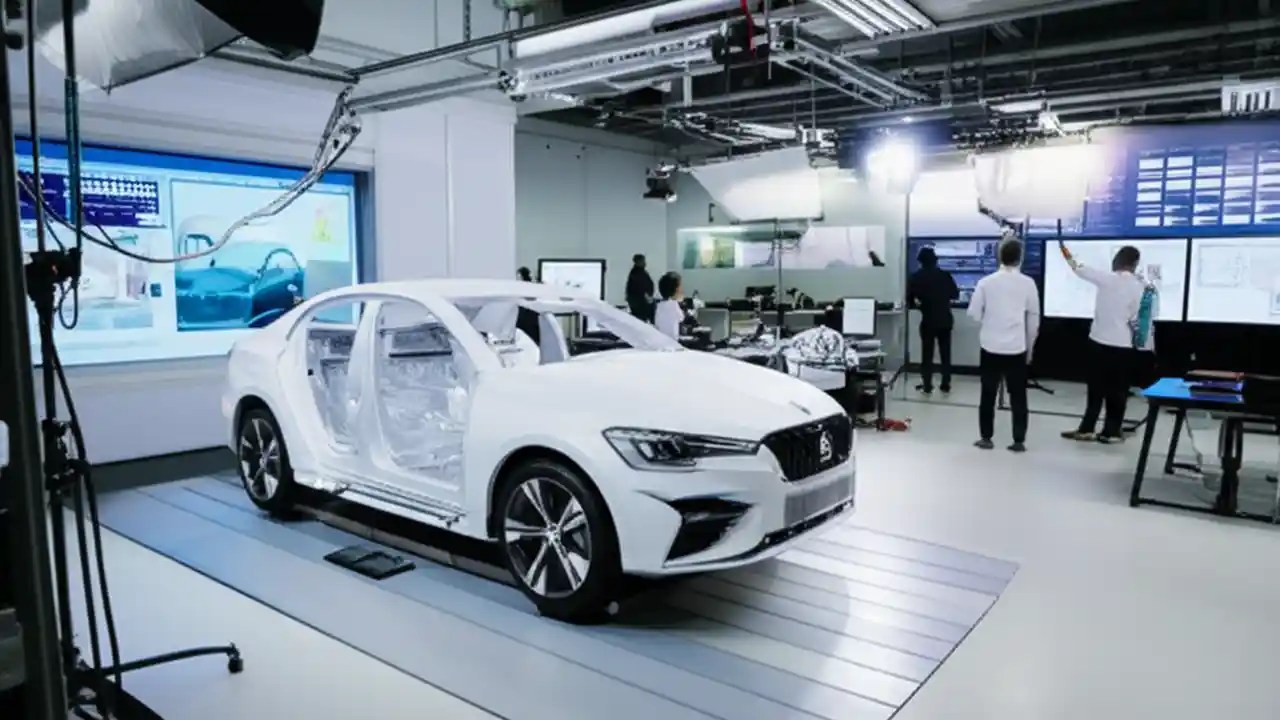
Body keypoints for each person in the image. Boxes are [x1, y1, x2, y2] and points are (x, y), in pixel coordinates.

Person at [1059, 242, 1156, 444]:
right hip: (1124, 345)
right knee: (1119, 391)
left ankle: (1087, 429)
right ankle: (1111, 431)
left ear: (1117, 260)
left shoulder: (1107, 279)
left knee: (1095, 389)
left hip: (1098, 342)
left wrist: (1064, 249)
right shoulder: (1141, 287)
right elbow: (1143, 319)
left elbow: (1077, 267)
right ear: (1136, 263)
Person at [967, 237, 1040, 453]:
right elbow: (1033, 320)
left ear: (999, 256)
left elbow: (973, 314)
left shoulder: (986, 283)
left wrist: (989, 320)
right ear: (1020, 258)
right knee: (1018, 396)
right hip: (1016, 348)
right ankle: (1018, 440)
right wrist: (1030, 347)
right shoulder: (1028, 284)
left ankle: (986, 437)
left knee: (987, 394)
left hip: (990, 346)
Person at [908, 246, 960, 394]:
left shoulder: (915, 277)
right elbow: (955, 294)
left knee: (927, 354)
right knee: (945, 353)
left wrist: (921, 305)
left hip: (928, 320)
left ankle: (927, 385)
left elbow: (910, 300)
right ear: (935, 260)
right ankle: (945, 384)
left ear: (920, 262)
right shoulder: (945, 275)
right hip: (945, 319)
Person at [654, 271, 685, 340]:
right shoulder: (674, 304)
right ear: (676, 289)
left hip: (661, 338)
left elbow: (657, 321)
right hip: (673, 339)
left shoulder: (659, 306)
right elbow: (681, 317)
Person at [625, 253, 655, 323]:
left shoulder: (637, 272)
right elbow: (641, 288)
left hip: (640, 302)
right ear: (638, 262)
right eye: (643, 261)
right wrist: (647, 297)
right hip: (640, 304)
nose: (645, 263)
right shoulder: (637, 273)